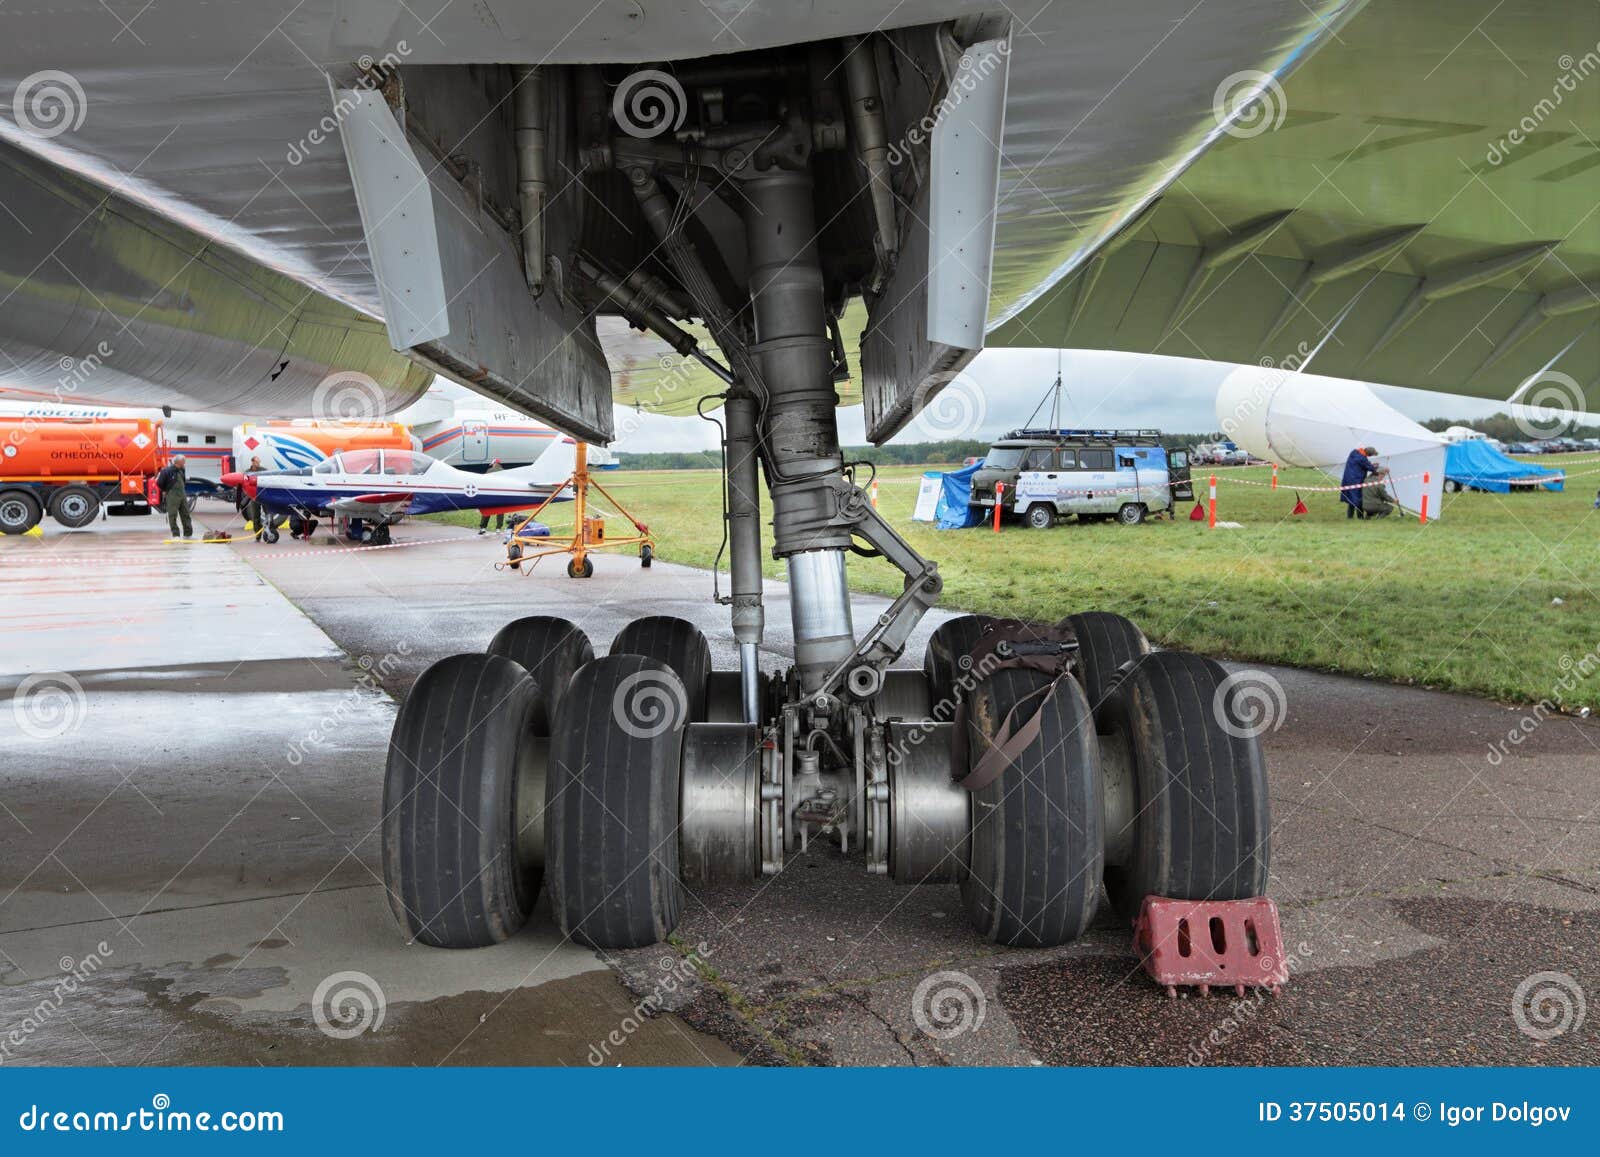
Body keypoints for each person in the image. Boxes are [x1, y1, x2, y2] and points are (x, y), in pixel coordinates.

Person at [1340, 446, 1392, 519]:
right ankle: (1360, 517)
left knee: (1351, 498)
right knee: (1359, 499)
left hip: (1348, 479)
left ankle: (1350, 517)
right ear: (1369, 454)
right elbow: (1371, 468)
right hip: (1356, 480)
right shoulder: (1362, 459)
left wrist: (1371, 465)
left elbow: (1363, 465)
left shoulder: (1354, 453)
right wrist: (1382, 471)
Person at [156, 454, 192, 538]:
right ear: (179, 462)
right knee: (172, 515)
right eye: (183, 461)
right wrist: (166, 490)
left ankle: (188, 534)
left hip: (182, 495)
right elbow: (159, 483)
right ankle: (176, 535)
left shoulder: (182, 469)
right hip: (172, 496)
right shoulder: (166, 471)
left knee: (186, 514)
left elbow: (183, 481)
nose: (184, 463)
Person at [478, 458, 506, 534]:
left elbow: (484, 481)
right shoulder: (504, 471)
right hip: (501, 494)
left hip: (491, 493)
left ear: (494, 463)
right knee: (500, 511)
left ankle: (483, 528)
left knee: (487, 510)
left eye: (492, 464)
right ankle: (498, 529)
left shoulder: (489, 470)